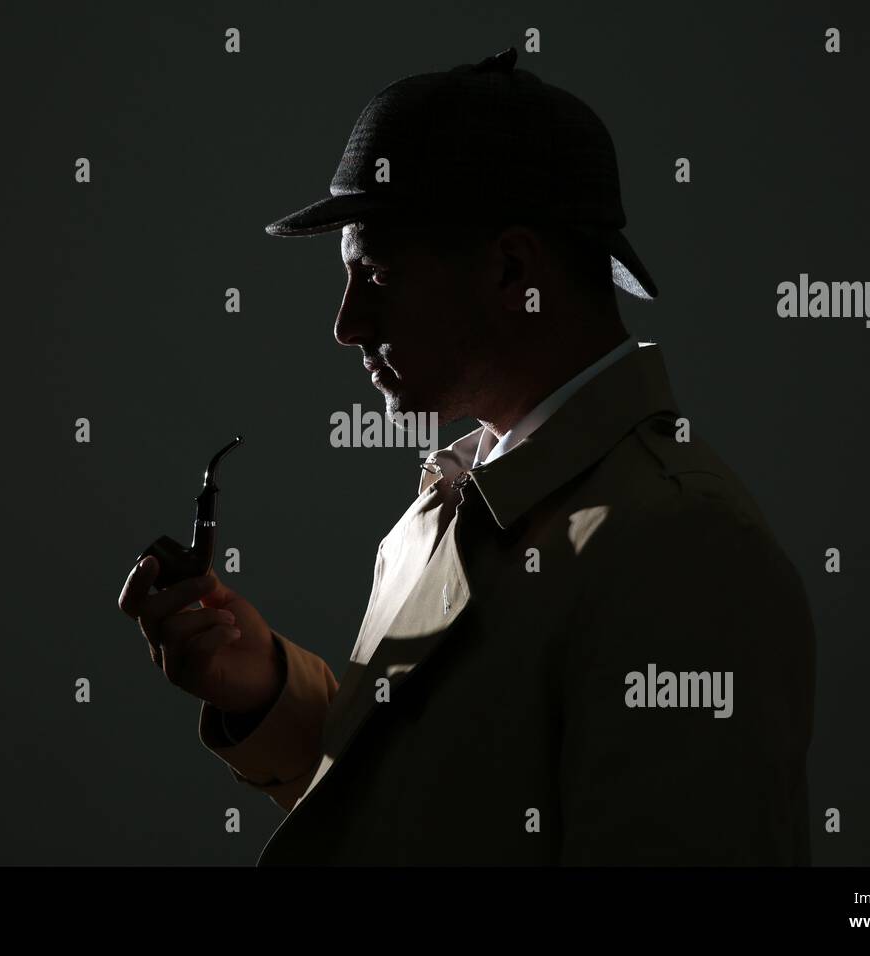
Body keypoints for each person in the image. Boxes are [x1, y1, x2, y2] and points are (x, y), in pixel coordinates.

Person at [118, 47, 816, 865]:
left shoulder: (681, 547)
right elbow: (431, 809)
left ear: (512, 269)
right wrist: (268, 689)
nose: (345, 325)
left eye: (376, 273)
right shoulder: (452, 502)